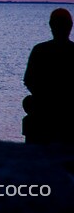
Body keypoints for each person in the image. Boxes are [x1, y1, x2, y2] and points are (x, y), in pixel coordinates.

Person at [22, 8, 74, 143]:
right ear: (70, 26)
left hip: (44, 114)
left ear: (51, 25)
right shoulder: (40, 50)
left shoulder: (40, 50)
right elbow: (29, 80)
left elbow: (29, 80)